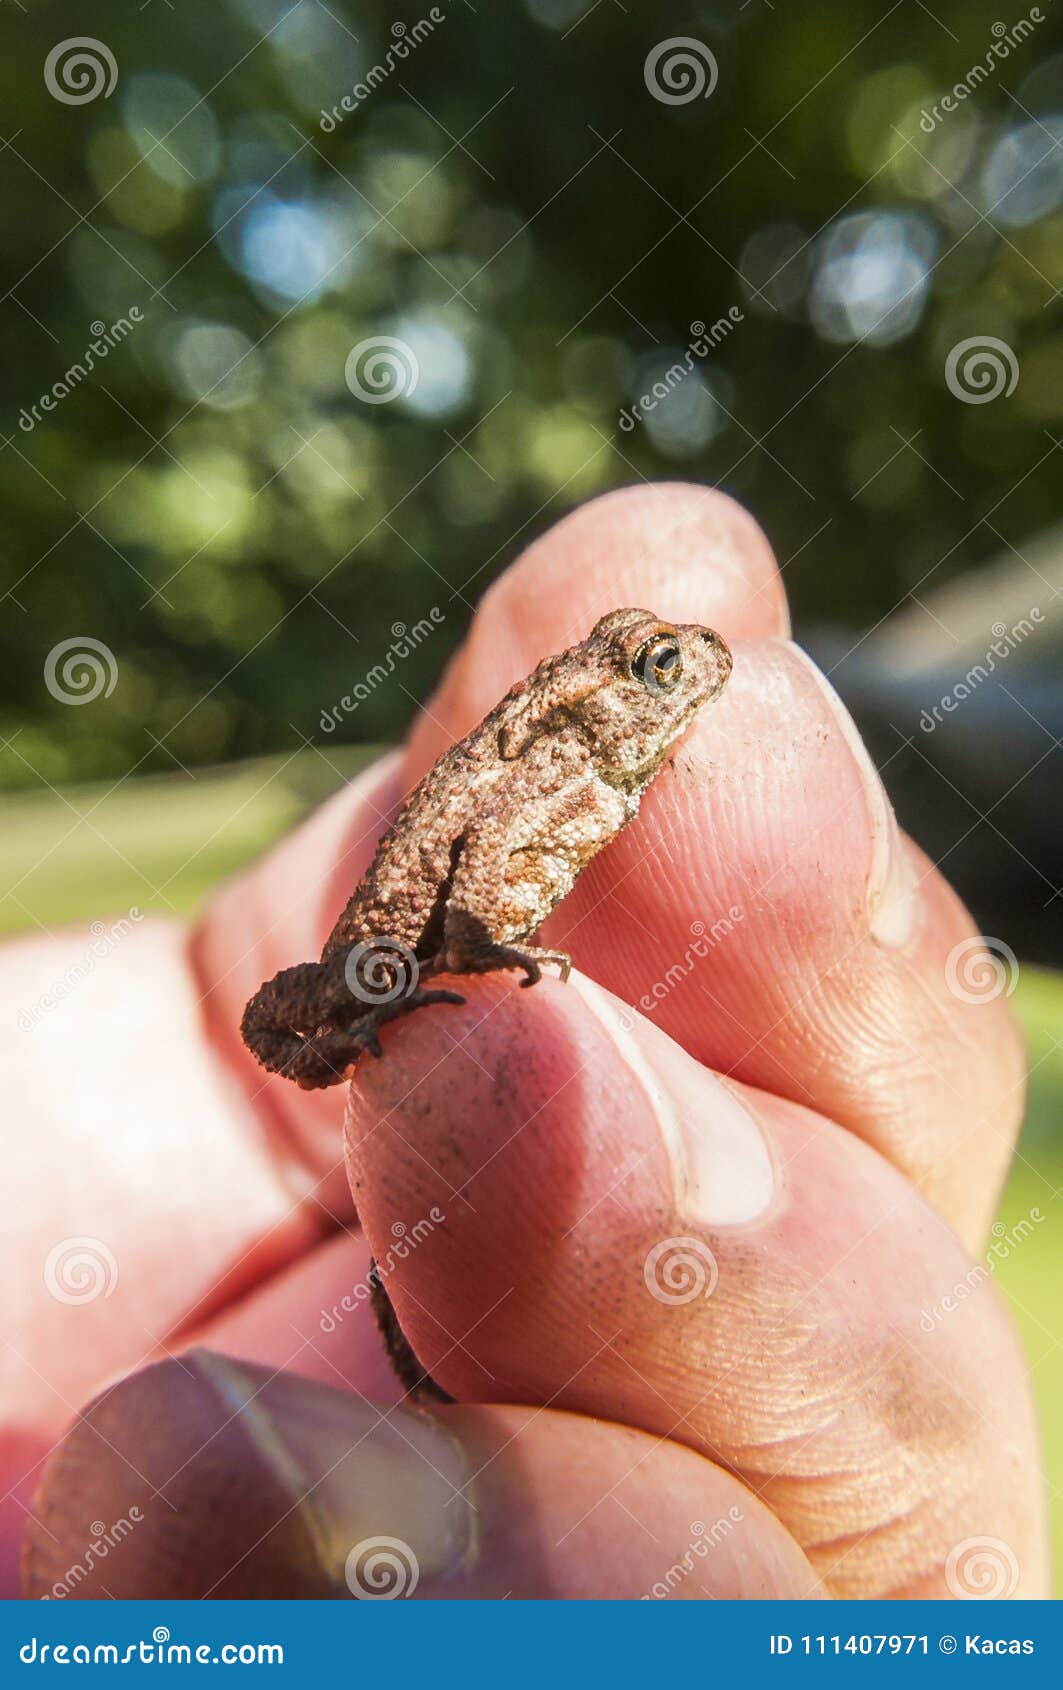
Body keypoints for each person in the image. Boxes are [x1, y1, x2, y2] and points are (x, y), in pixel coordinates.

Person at [8, 485, 1046, 1599]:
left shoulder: (600, 760)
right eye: (647, 669)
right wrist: (413, 997)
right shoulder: (553, 763)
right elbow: (472, 881)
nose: (680, 676)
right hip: (385, 962)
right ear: (601, 701)